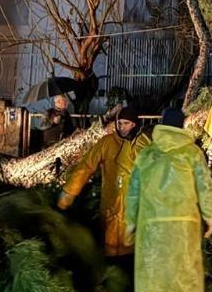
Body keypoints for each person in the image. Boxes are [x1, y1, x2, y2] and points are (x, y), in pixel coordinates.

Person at [126, 106, 212, 292]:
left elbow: (133, 191)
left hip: (152, 225)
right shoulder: (192, 153)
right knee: (188, 275)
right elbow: (204, 184)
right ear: (182, 126)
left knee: (152, 276)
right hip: (184, 225)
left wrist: (130, 222)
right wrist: (209, 215)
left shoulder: (146, 155)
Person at [58, 103, 150, 261]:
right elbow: (86, 167)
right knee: (109, 251)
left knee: (131, 254)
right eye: (119, 123)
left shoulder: (143, 144)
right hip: (111, 205)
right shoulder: (106, 143)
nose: (122, 127)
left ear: (134, 125)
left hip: (135, 208)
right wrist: (68, 193)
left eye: (126, 123)